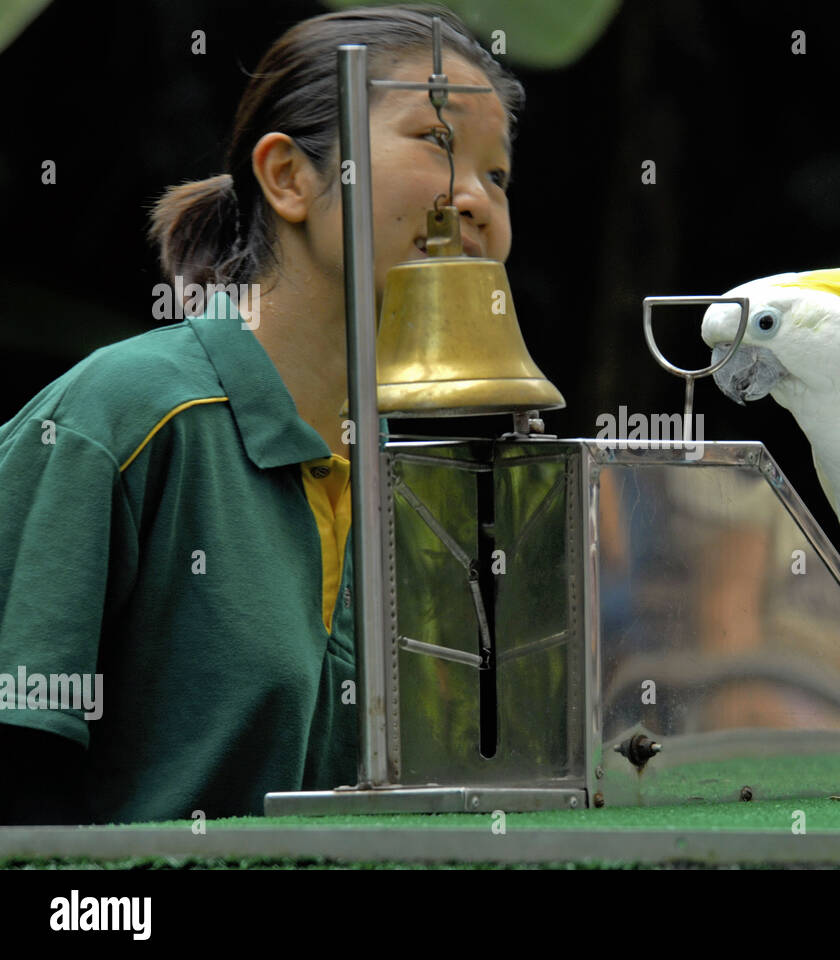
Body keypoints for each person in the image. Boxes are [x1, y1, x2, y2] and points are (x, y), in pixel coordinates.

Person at [0, 4, 521, 824]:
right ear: (288, 178)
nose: (479, 200)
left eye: (498, 176)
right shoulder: (125, 415)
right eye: (438, 141)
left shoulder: (409, 474)